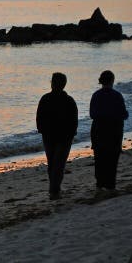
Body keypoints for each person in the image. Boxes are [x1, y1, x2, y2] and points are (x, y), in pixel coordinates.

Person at [36, 72, 78, 200]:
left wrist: (42, 130)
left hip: (49, 136)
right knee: (59, 163)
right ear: (64, 84)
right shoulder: (69, 100)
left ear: (52, 83)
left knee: (52, 162)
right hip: (64, 136)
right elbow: (74, 120)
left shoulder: (45, 99)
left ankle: (54, 188)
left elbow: (39, 118)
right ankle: (54, 189)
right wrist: (72, 133)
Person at [90, 70, 129, 193]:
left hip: (98, 130)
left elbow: (92, 114)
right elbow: (124, 114)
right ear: (112, 81)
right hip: (114, 131)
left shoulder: (96, 95)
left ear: (101, 81)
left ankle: (99, 184)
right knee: (112, 159)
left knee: (99, 158)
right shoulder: (117, 95)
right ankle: (110, 185)